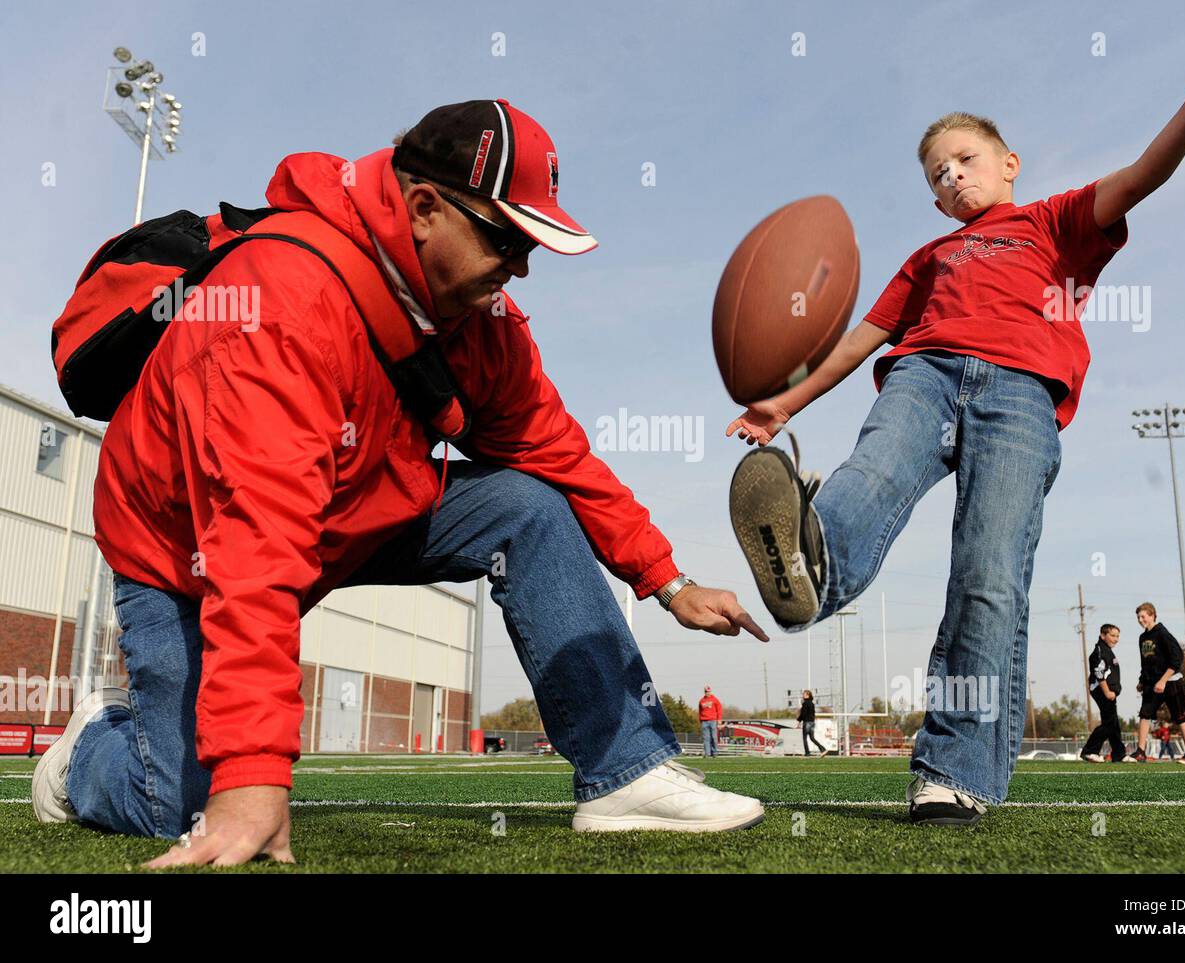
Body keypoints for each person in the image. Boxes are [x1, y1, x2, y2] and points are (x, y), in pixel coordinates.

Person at [33, 100, 771, 866]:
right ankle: (87, 749)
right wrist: (250, 779)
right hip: (182, 549)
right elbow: (254, 547)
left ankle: (628, 768)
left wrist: (666, 577)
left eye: (533, 244)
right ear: (423, 208)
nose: (522, 266)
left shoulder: (482, 319)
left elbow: (556, 449)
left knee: (527, 504)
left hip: (349, 504)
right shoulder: (278, 305)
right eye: (507, 237)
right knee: (179, 802)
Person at [724, 16, 1185, 824]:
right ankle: (812, 563)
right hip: (924, 375)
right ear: (933, 198)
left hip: (1021, 395)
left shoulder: (1053, 222)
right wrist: (785, 403)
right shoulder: (928, 259)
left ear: (1009, 165)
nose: (954, 177)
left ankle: (953, 770)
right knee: (873, 469)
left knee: (988, 573)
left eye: (967, 160)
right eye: (939, 173)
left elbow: (1144, 174)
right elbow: (856, 341)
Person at [1132, 603, 1185, 764]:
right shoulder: (1142, 638)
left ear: (1153, 615)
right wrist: (1142, 680)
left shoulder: (1162, 633)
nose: (1141, 620)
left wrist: (1163, 679)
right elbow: (1145, 662)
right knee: (1145, 714)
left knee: (1181, 716)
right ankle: (1140, 752)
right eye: (1138, 617)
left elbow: (1177, 658)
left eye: (1143, 616)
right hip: (1152, 684)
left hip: (1171, 682)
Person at [1081, 624, 1125, 762]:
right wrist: (1107, 692)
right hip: (1102, 690)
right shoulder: (1100, 651)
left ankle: (1119, 754)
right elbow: (1099, 673)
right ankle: (1090, 751)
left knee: (1113, 723)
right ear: (1102, 635)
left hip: (1110, 692)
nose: (1116, 639)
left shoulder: (1108, 650)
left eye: (1117, 636)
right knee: (1109, 723)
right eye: (1112, 635)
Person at [797, 689, 828, 757]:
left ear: (808, 695)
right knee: (812, 738)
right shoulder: (812, 704)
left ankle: (807, 753)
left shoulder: (805, 704)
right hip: (812, 722)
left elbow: (803, 714)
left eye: (804, 694)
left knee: (805, 738)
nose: (803, 695)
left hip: (807, 723)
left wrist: (798, 722)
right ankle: (822, 749)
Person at [698, 686, 724, 757]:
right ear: (704, 692)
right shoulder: (701, 701)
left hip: (713, 720)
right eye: (706, 691)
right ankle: (707, 753)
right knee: (706, 738)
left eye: (708, 691)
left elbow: (719, 710)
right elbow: (700, 711)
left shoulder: (715, 700)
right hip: (704, 721)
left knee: (714, 737)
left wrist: (719, 720)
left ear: (710, 691)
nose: (707, 693)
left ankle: (714, 753)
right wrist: (700, 720)